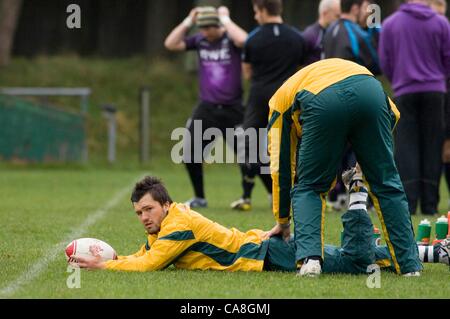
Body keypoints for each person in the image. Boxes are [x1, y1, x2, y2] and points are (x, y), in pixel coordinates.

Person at [71, 176, 449, 273]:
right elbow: (146, 254)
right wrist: (119, 257)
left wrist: (105, 265)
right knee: (344, 259)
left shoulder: (178, 224)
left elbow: (151, 264)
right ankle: (432, 251)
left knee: (351, 262)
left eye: (149, 210)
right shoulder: (169, 225)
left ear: (166, 206)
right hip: (266, 247)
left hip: (266, 255)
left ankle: (356, 201)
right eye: (139, 213)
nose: (144, 218)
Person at [266, 58, 422, 277]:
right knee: (386, 184)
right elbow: (393, 113)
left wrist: (282, 221)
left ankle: (311, 261)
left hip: (323, 101)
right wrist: (372, 158)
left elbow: (281, 167)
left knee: (309, 186)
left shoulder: (277, 105)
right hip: (370, 90)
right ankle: (409, 266)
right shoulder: (310, 79)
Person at [164, 6, 249, 208]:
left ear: (216, 26)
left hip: (233, 108)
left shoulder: (230, 39)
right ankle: (200, 197)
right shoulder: (200, 41)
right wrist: (188, 20)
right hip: (207, 108)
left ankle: (249, 196)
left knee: (249, 155)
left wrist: (225, 18)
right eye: (201, 28)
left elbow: (244, 40)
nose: (203, 32)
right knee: (189, 153)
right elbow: (171, 44)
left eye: (207, 28)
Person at [230, 0, 306, 211]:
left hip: (259, 98)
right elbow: (302, 69)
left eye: (256, 12)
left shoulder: (253, 38)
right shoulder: (297, 37)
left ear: (263, 10)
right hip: (287, 97)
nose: (255, 16)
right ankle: (298, 193)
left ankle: (246, 196)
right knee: (291, 144)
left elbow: (247, 72)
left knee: (248, 143)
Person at [379, 0, 450, 215]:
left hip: (404, 90)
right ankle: (430, 203)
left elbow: (384, 60)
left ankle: (409, 202)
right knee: (432, 145)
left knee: (406, 146)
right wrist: (439, 80)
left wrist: (397, 80)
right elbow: (448, 59)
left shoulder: (391, 24)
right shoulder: (441, 22)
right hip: (435, 91)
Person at [302, 0, 341, 66]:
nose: (339, 20)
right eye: (337, 16)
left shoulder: (337, 32)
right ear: (324, 13)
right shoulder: (310, 35)